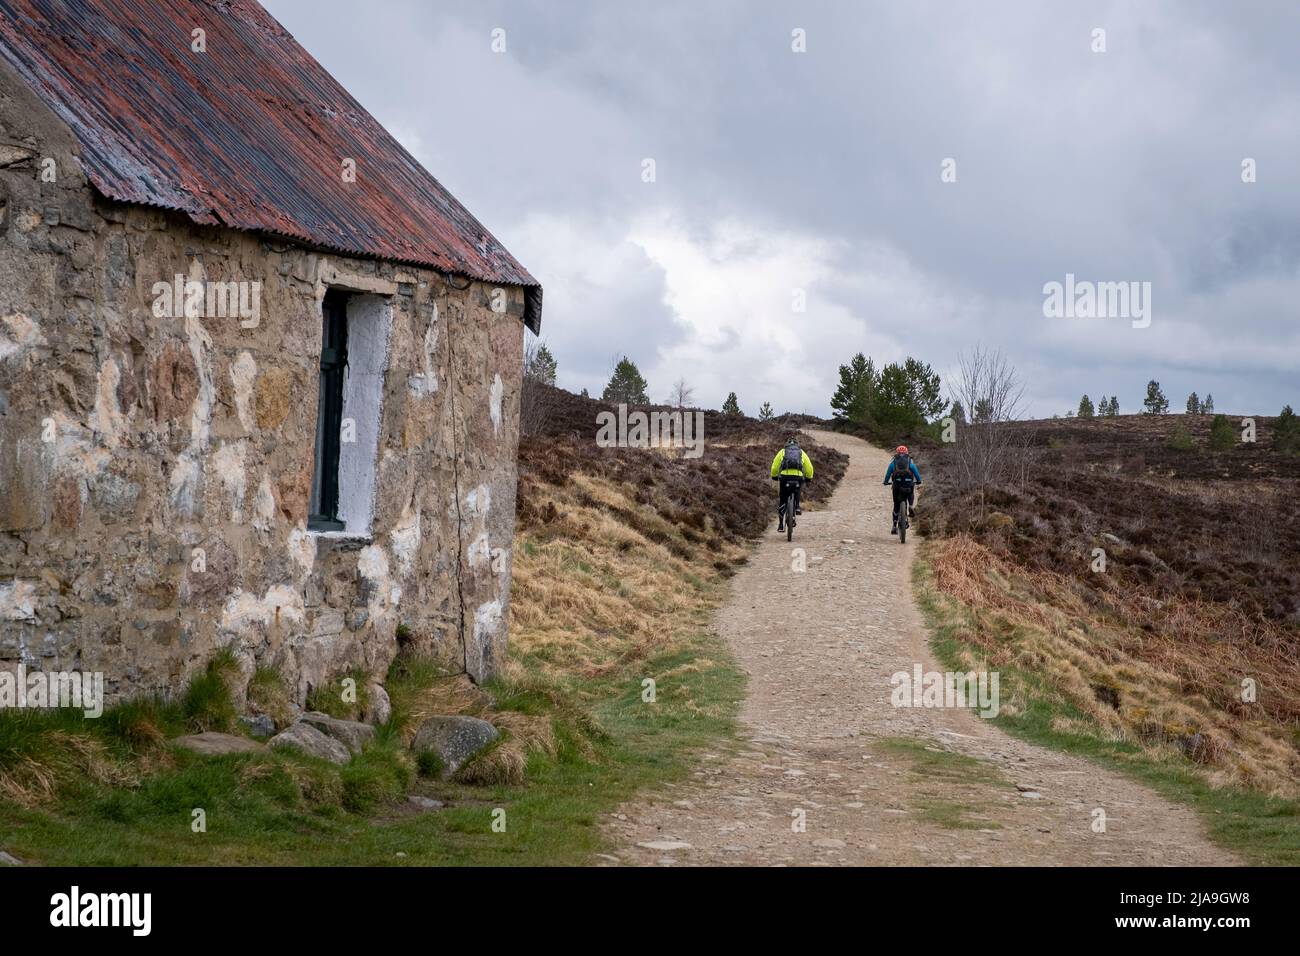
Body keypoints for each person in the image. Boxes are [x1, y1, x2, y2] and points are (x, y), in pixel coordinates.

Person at [770, 436, 814, 532]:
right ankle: (797, 507)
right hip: (798, 477)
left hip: (784, 478)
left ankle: (781, 525)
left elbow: (774, 467)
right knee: (797, 490)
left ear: (787, 444)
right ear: (797, 445)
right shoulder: (801, 452)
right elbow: (809, 467)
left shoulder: (782, 452)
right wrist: (809, 477)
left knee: (783, 498)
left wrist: (774, 476)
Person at [883, 445, 921, 534]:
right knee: (911, 492)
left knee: (896, 505)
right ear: (907, 453)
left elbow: (888, 474)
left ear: (897, 453)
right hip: (908, 484)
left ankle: (894, 526)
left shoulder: (893, 463)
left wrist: (885, 482)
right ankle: (911, 505)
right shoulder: (910, 463)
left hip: (897, 485)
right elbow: (916, 474)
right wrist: (918, 481)